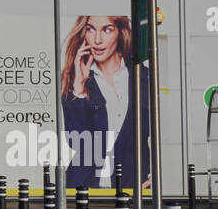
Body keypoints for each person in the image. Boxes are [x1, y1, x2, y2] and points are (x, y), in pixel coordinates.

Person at [59, 14, 151, 190]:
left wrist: (156, 175)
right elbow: (77, 141)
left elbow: (158, 133)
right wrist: (79, 86)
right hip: (85, 187)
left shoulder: (144, 77)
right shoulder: (75, 79)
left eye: (107, 30)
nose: (97, 40)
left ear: (120, 32)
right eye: (90, 30)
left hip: (131, 185)